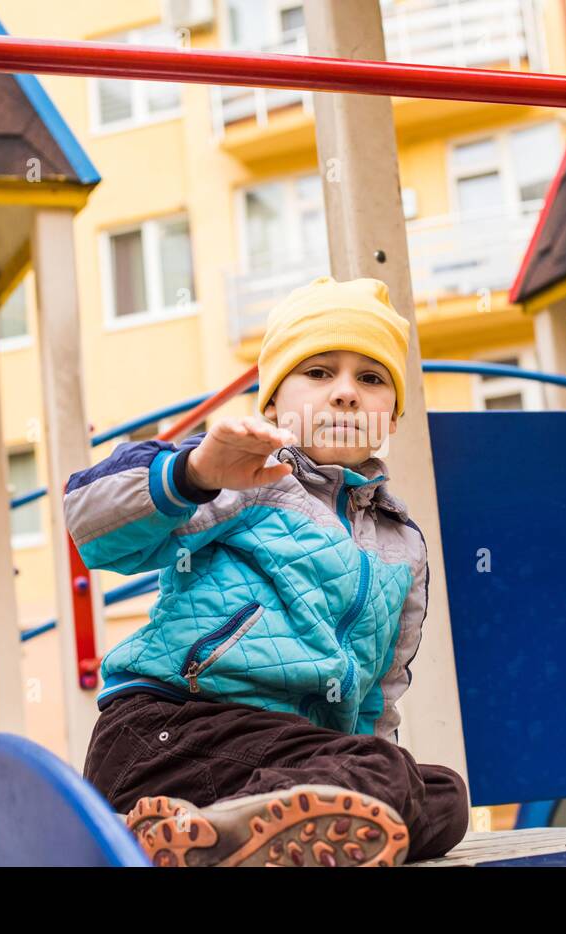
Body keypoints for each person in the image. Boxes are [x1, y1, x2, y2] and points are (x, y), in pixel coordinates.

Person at [64, 275, 469, 867]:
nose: (346, 393)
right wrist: (193, 472)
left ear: (393, 418)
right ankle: (223, 837)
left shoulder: (399, 544)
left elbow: (380, 694)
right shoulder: (245, 475)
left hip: (286, 756)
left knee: (440, 794)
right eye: (319, 372)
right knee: (383, 773)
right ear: (273, 402)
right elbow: (91, 526)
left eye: (372, 379)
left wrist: (376, 776)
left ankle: (204, 837)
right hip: (170, 733)